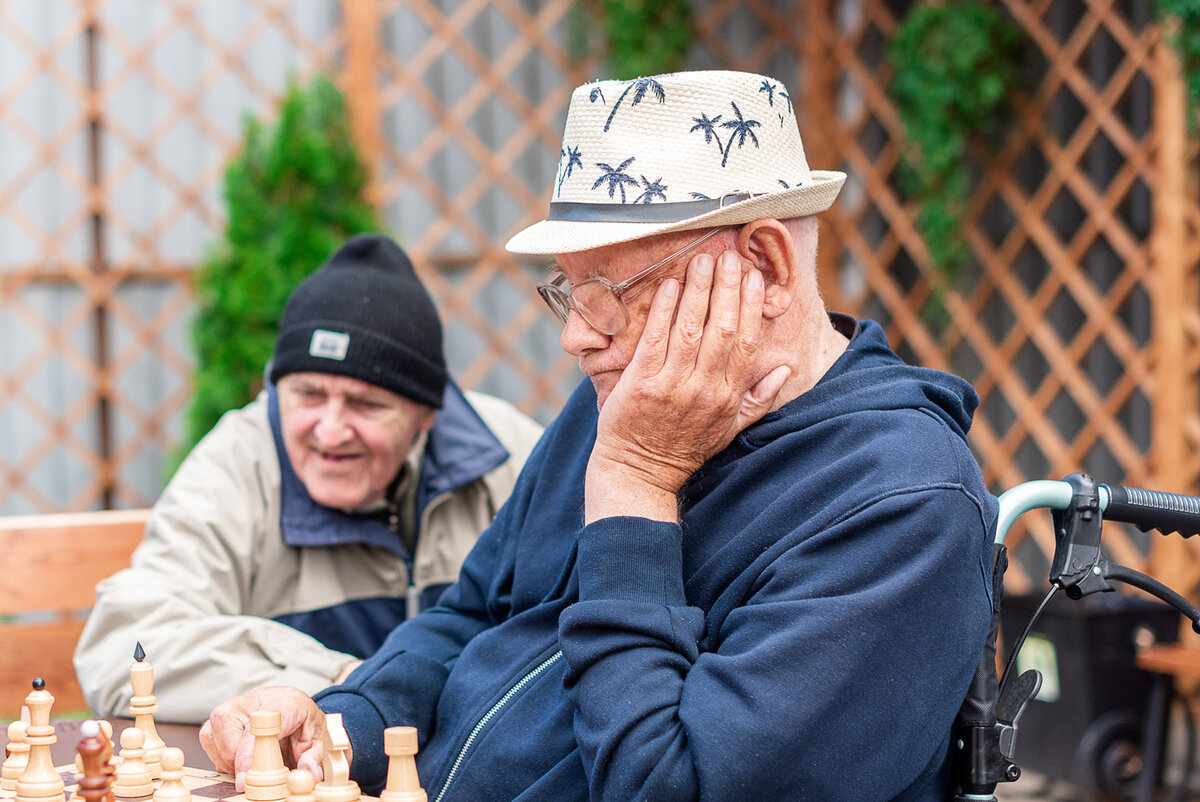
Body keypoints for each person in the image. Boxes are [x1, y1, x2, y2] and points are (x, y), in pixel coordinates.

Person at [200, 70, 998, 800]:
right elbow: (473, 613)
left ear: (765, 263)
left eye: (608, 292)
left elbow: (669, 786)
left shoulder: (900, 500)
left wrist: (635, 490)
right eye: (568, 293)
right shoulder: (622, 400)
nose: (576, 337)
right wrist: (347, 723)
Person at [73, 234, 544, 725]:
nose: (331, 430)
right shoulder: (238, 462)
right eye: (309, 394)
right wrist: (346, 681)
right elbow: (124, 648)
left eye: (367, 404)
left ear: (427, 413)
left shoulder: (506, 452)